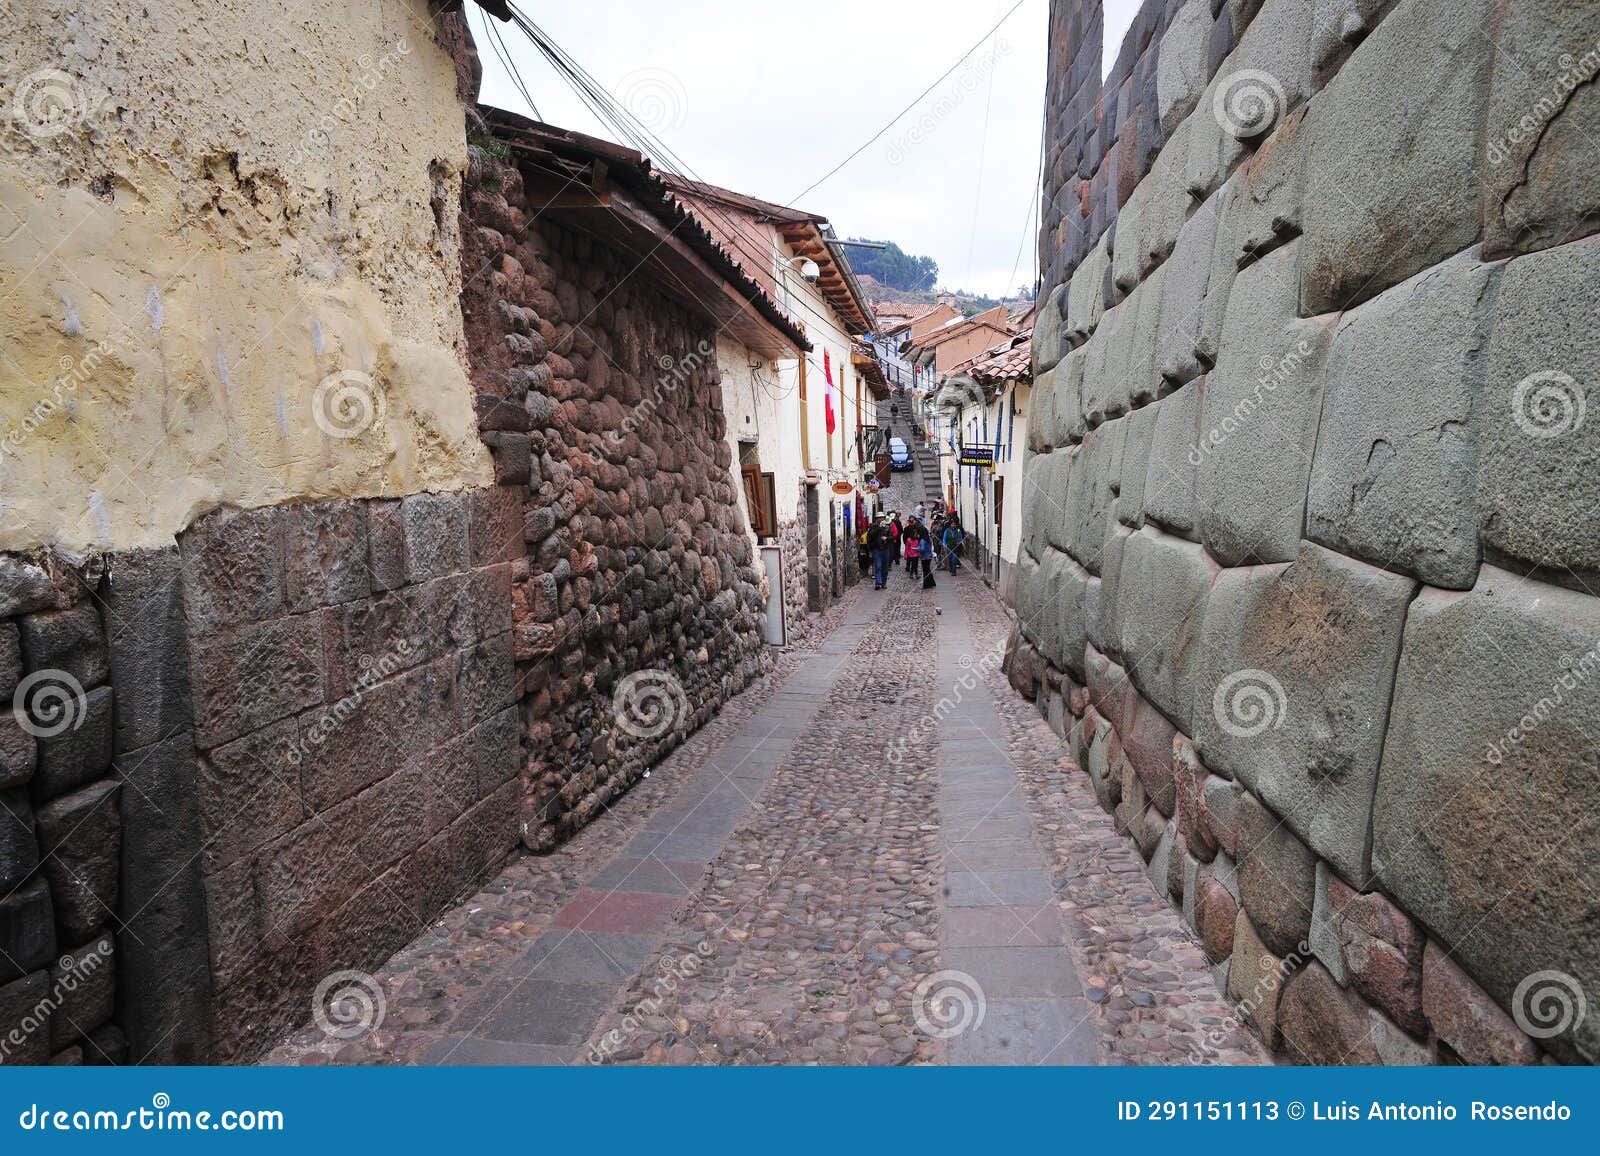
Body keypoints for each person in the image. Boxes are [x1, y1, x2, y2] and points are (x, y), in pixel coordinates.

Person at [866, 516, 894, 590]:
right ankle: (878, 583)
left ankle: (883, 583)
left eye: (881, 518)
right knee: (878, 566)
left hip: (885, 549)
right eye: (878, 518)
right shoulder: (873, 527)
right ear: (876, 519)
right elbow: (870, 536)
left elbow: (892, 538)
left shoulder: (887, 527)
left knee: (885, 567)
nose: (880, 519)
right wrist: (879, 528)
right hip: (876, 549)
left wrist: (887, 538)